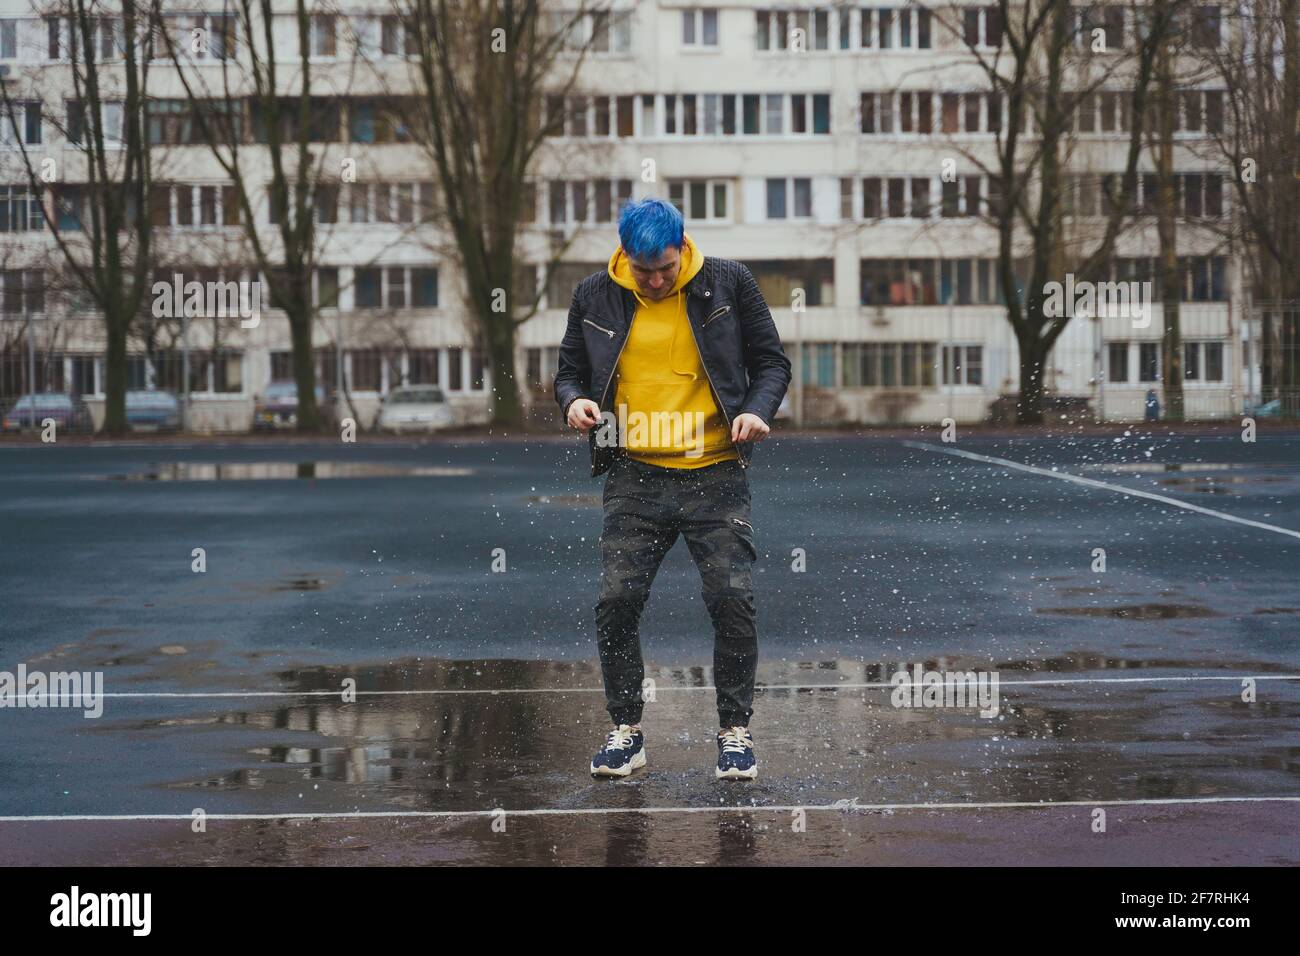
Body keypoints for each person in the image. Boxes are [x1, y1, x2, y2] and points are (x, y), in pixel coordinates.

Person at [554, 198, 791, 781]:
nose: (656, 280)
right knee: (616, 604)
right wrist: (574, 401)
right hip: (634, 474)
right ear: (624, 256)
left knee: (731, 601)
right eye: (643, 270)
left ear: (682, 246)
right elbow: (568, 372)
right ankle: (626, 731)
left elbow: (772, 364)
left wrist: (759, 411)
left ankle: (735, 734)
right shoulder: (593, 295)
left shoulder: (729, 283)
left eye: (664, 267)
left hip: (716, 473)